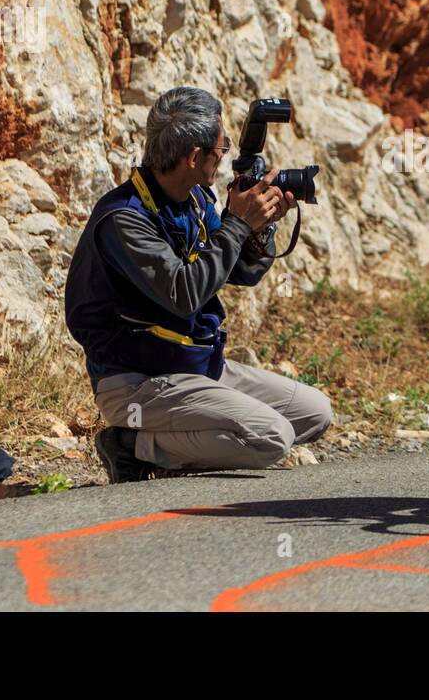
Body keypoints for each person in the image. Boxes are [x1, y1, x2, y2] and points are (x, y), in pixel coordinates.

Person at [65, 87, 334, 482]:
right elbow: (185, 294)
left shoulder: (194, 201)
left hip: (199, 367)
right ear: (194, 156)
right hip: (139, 382)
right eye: (220, 150)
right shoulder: (124, 219)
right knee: (272, 437)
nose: (223, 158)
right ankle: (130, 446)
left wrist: (262, 224)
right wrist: (238, 223)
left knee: (314, 413)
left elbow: (243, 272)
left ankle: (189, 431)